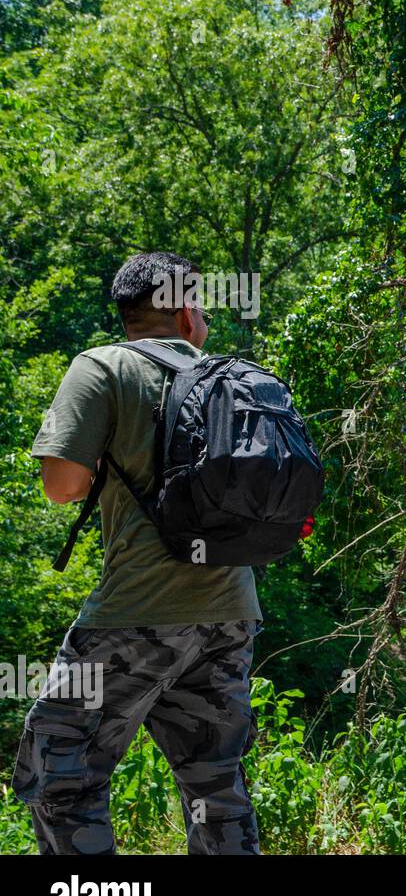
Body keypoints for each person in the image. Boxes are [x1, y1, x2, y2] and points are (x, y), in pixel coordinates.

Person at [11, 252, 264, 854]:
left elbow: (61, 486)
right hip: (231, 612)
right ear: (181, 311)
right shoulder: (232, 375)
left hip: (138, 612)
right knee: (217, 784)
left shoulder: (101, 366)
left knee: (59, 767)